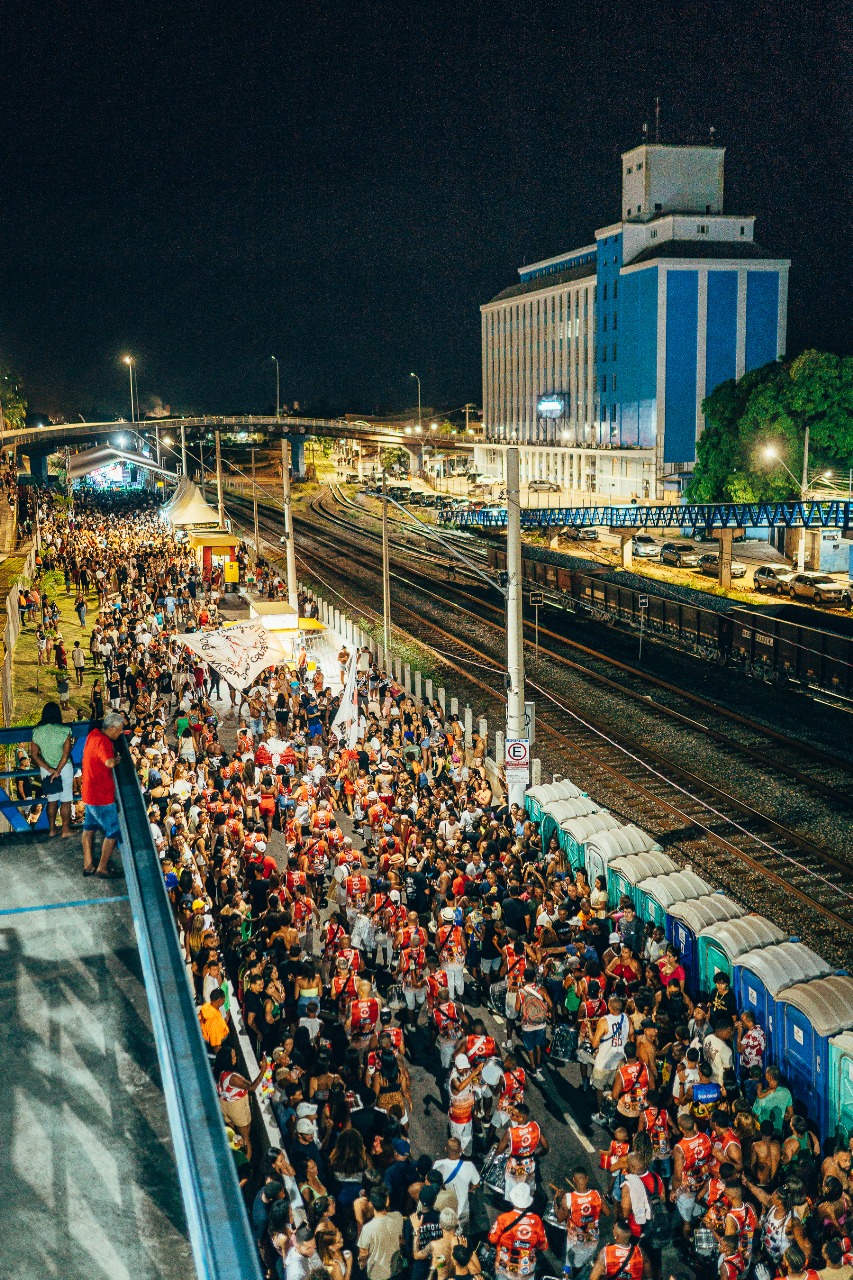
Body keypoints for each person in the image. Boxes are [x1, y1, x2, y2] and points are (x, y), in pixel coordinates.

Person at [81, 710, 126, 877]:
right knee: (113, 832)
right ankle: (102, 867)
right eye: (120, 729)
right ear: (112, 728)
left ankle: (88, 865)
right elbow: (109, 763)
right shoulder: (104, 741)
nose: (121, 732)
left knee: (88, 829)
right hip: (101, 796)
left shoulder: (93, 734)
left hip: (88, 792)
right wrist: (118, 759)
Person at [29, 700, 74, 838]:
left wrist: (49, 769)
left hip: (46, 770)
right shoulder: (65, 730)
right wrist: (58, 770)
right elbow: (66, 754)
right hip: (64, 768)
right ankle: (65, 830)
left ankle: (52, 829)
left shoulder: (36, 731)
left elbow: (34, 754)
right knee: (66, 800)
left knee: (52, 800)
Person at [555, 1165, 610, 1276]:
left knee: (576, 1264)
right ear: (587, 1178)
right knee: (587, 1259)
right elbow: (607, 1213)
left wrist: (556, 1200)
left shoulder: (568, 1198)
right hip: (592, 1237)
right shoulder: (597, 1195)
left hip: (575, 1239)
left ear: (574, 1180)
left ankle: (573, 1273)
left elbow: (560, 1219)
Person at [487, 1182, 548, 1280]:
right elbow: (544, 1245)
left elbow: (492, 1239)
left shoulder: (503, 1218)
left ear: (513, 1200)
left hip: (505, 1267)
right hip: (525, 1270)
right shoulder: (536, 1220)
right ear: (529, 1202)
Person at [431, 1137, 481, 1230]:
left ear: (446, 1149)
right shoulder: (469, 1166)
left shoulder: (437, 1165)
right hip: (462, 1211)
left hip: (444, 1209)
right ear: (461, 1150)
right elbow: (476, 1184)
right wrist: (469, 1188)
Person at [358, 1186, 405, 1280]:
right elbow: (400, 1239)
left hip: (377, 1274)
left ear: (371, 1204)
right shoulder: (398, 1216)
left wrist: (360, 1261)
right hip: (396, 1269)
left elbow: (363, 1254)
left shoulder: (367, 1228)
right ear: (387, 1200)